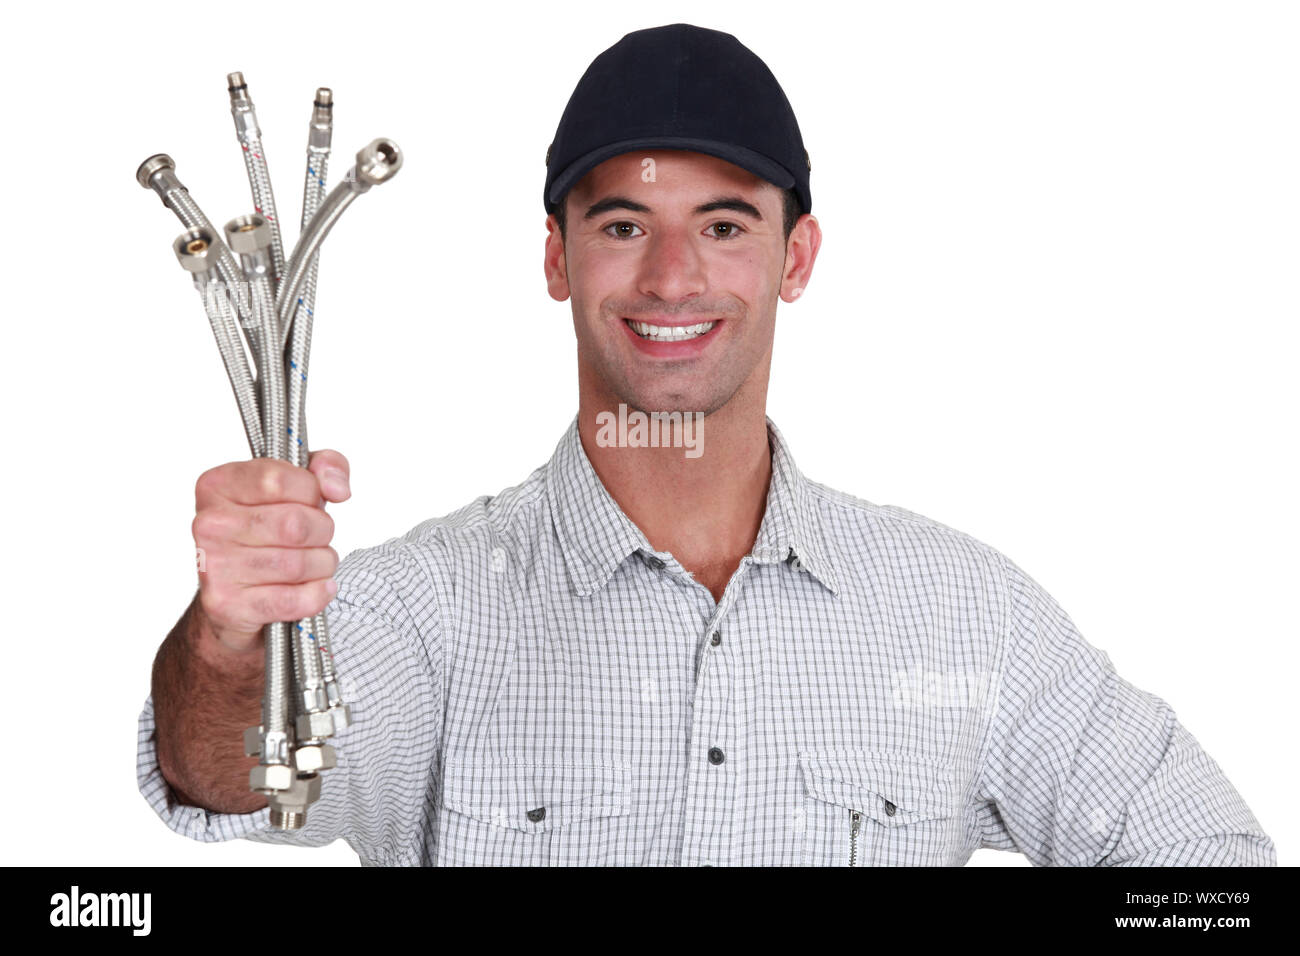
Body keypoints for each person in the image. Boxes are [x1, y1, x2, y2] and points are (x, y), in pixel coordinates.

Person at [138, 22, 1276, 866]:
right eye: (623, 225)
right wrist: (236, 634)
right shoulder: (425, 611)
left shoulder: (958, 614)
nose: (671, 277)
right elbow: (230, 772)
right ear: (556, 259)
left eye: (724, 225)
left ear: (795, 257)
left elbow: (1211, 865)